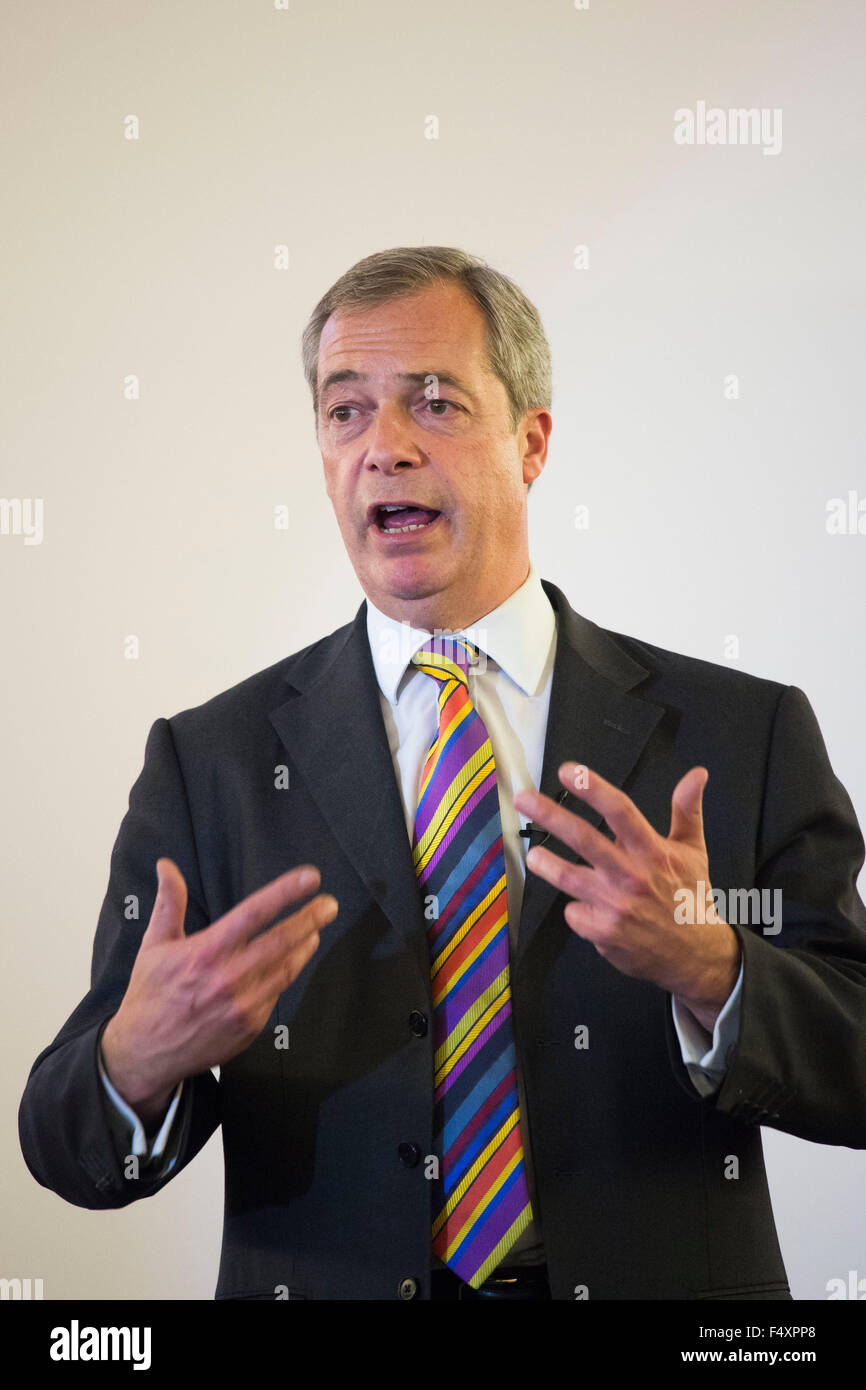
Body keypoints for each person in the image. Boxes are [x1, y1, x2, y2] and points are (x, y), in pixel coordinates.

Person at [19, 246, 866, 1301]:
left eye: (433, 401)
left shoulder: (741, 733)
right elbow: (62, 1144)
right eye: (345, 412)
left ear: (531, 441)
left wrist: (715, 969)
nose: (384, 448)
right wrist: (136, 1060)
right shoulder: (211, 763)